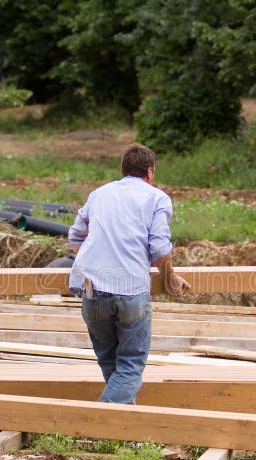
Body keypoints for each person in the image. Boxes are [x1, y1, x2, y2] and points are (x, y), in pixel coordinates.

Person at [68, 143, 189, 404]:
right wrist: (169, 278)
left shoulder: (99, 194)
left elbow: (76, 237)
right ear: (150, 172)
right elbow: (158, 248)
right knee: (131, 365)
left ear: (123, 169)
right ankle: (100, 423)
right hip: (131, 290)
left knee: (111, 362)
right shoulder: (156, 198)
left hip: (92, 289)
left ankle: (123, 430)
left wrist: (101, 258)